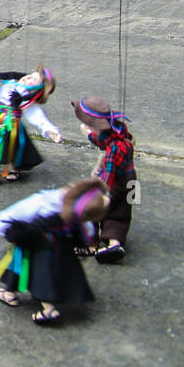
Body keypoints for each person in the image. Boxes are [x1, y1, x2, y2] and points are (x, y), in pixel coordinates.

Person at [0, 177, 109, 326]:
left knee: (40, 275)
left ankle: (48, 310)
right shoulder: (80, 215)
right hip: (61, 246)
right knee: (26, 266)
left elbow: (17, 212)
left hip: (38, 243)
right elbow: (87, 230)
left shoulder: (47, 201)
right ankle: (10, 292)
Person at [72, 96, 136, 262]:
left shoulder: (115, 149)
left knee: (93, 207)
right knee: (120, 212)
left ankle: (90, 245)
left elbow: (109, 172)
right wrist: (88, 136)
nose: (86, 127)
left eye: (88, 125)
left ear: (95, 125)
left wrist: (102, 192)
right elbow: (103, 141)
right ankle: (115, 243)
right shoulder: (117, 131)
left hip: (116, 182)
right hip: (131, 181)